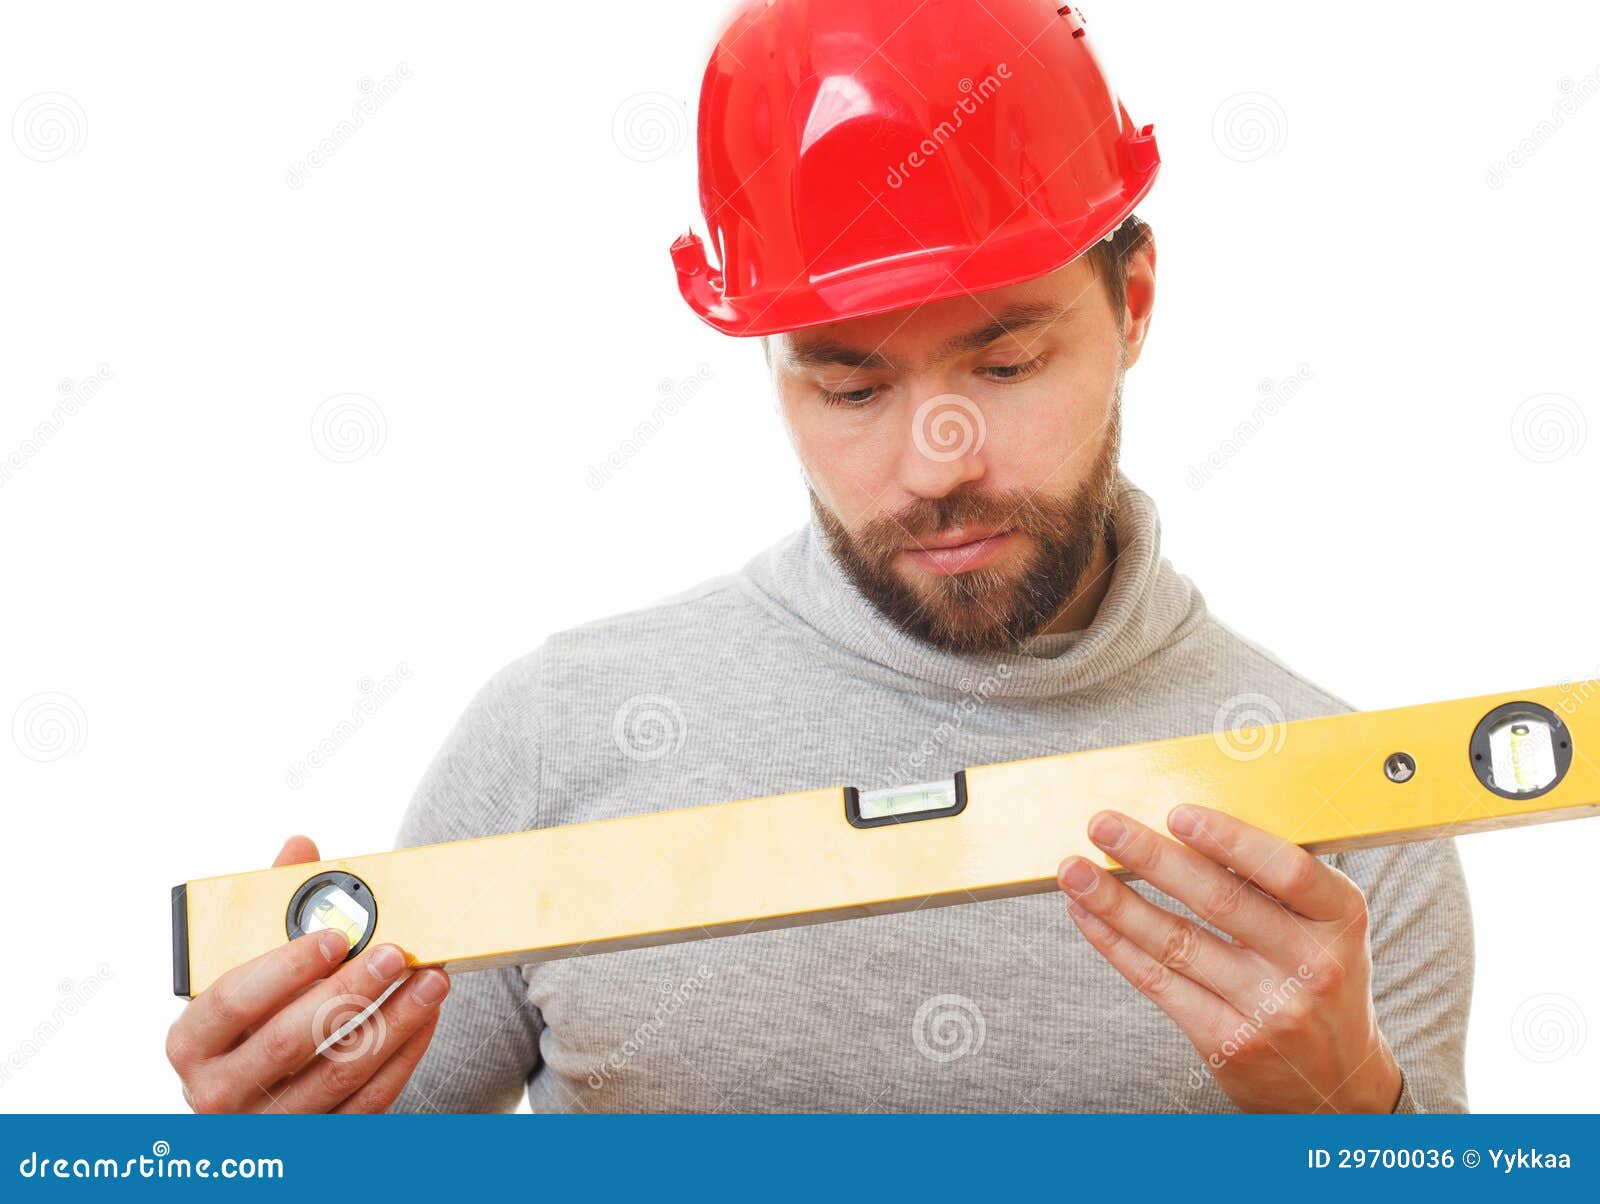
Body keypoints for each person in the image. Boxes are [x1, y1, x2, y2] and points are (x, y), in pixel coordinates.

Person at [165, 0, 1471, 1113]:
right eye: (850, 391)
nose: (935, 460)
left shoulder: (1347, 827)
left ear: (1131, 304)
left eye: (1005, 363)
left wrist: (1362, 1122)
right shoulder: (556, 745)